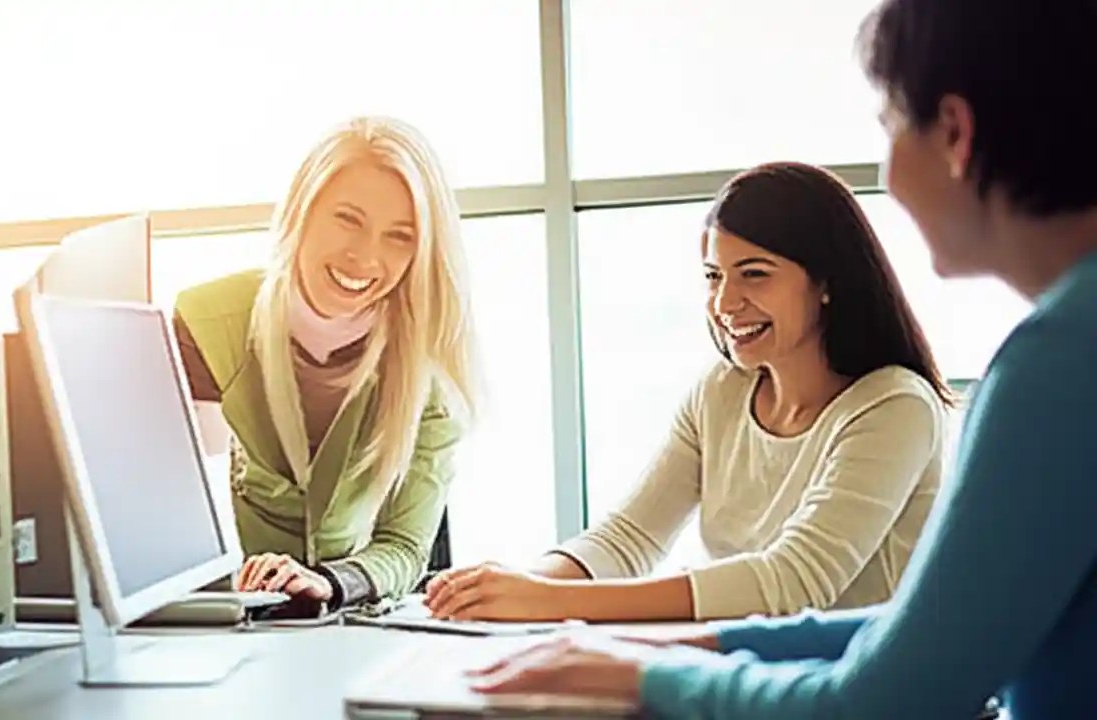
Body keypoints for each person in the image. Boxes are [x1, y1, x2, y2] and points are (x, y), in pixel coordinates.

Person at [465, 0, 1097, 717]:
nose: (728, 300)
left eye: (889, 126)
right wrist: (669, 648)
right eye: (714, 277)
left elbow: (884, 694)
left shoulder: (1056, 366)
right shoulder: (1069, 346)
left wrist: (644, 676)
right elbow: (927, 637)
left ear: (954, 134)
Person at [426, 160, 952, 624]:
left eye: (754, 274)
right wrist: (508, 589)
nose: (725, 302)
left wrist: (546, 601)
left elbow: (793, 583)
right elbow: (627, 539)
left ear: (827, 282)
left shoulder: (895, 404)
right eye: (713, 276)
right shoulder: (722, 391)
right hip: (748, 677)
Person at [173, 116, 478, 613]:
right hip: (224, 617)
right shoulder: (206, 322)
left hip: (348, 620)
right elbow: (184, 508)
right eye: (348, 220)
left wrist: (330, 583)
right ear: (303, 211)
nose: (364, 257)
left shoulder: (429, 370)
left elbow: (405, 545)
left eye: (398, 236)